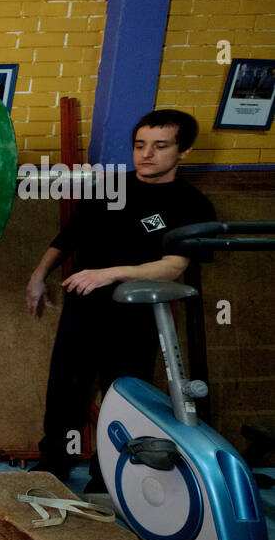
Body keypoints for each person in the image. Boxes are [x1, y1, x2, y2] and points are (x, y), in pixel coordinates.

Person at [26, 109, 215, 490]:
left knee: (123, 395)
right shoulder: (108, 188)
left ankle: (107, 476)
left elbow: (173, 267)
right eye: (140, 145)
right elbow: (67, 238)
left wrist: (110, 272)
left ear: (184, 151)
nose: (147, 154)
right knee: (65, 389)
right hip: (84, 307)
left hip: (137, 314)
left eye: (160, 146)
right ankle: (52, 465)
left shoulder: (191, 204)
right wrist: (38, 275)